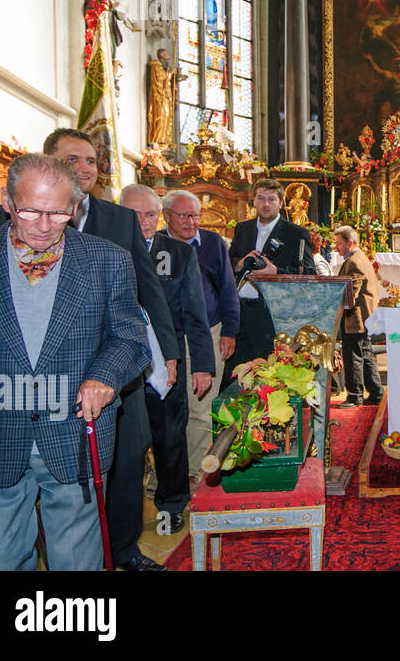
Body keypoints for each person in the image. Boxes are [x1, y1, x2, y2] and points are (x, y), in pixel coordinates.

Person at [0, 155, 149, 570]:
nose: (45, 226)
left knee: (77, 562)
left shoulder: (108, 260)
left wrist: (104, 376)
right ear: (8, 201)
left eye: (59, 213)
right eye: (31, 211)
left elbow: (130, 338)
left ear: (77, 206)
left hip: (75, 435)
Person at [17, 129, 178, 571]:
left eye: (91, 160)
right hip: (45, 376)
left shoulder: (119, 219)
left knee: (127, 459)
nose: (85, 168)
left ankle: (123, 550)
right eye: (74, 159)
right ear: (46, 162)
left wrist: (167, 351)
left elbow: (148, 290)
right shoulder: (17, 217)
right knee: (53, 473)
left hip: (116, 367)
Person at [120, 185, 213, 538]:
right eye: (135, 214)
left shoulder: (178, 253)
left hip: (169, 358)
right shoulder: (104, 248)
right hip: (121, 360)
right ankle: (123, 514)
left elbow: (195, 313)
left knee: (170, 435)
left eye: (150, 214)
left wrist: (203, 364)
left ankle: (171, 505)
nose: (144, 222)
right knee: (128, 441)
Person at [161, 189, 239, 478]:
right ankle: (165, 473)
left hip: (208, 332)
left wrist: (229, 331)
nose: (190, 222)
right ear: (166, 215)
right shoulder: (155, 245)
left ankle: (194, 473)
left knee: (201, 407)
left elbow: (228, 289)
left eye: (195, 215)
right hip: (167, 338)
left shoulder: (212, 242)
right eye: (183, 215)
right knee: (167, 408)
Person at [225, 179, 314, 391]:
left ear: (281, 203)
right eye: (261, 198)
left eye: (271, 199)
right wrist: (238, 263)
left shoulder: (296, 233)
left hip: (271, 314)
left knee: (268, 377)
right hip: (240, 311)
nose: (266, 204)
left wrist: (277, 272)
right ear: (253, 201)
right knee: (235, 374)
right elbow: (227, 263)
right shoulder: (242, 229)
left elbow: (309, 274)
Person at [335, 226, 384, 406]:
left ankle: (355, 396)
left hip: (355, 317)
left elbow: (352, 291)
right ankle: (376, 393)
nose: (336, 247)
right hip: (361, 317)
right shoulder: (358, 257)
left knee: (353, 355)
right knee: (365, 353)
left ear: (350, 242)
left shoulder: (354, 261)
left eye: (339, 243)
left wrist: (339, 308)